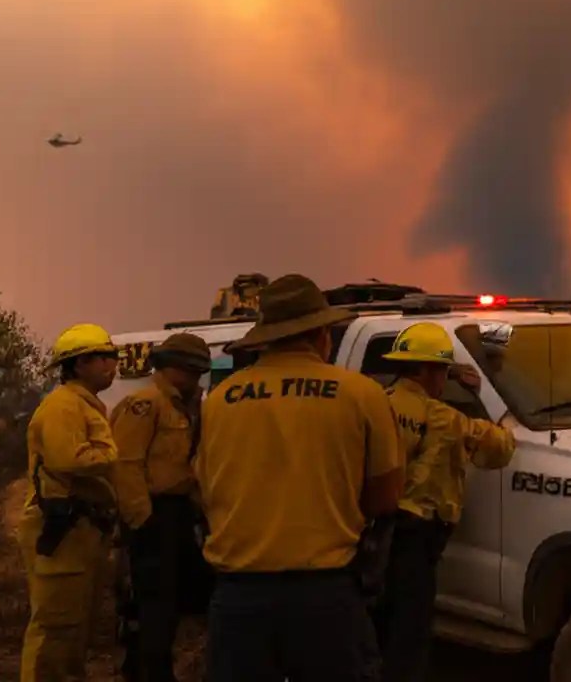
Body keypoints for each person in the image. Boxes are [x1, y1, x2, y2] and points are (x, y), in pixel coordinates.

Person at [195, 274, 403, 682]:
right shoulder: (361, 395)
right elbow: (386, 497)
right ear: (322, 335)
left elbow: (205, 488)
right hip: (326, 598)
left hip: (239, 600)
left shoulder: (219, 401)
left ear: (265, 338)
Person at [373, 322, 517, 682]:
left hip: (373, 533)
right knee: (411, 631)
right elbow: (500, 448)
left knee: (378, 622)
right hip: (416, 536)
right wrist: (486, 395)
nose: (443, 379)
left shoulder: (376, 404)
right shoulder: (445, 418)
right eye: (441, 370)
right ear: (425, 369)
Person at [110, 332, 216, 682]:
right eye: (190, 370)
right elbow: (126, 465)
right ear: (170, 367)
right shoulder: (145, 404)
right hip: (154, 515)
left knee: (180, 602)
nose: (195, 378)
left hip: (182, 512)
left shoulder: (190, 405)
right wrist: (142, 521)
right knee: (154, 608)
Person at [18, 323, 120, 681]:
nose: (112, 364)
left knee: (74, 626)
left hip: (78, 530)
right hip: (60, 528)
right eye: (102, 358)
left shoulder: (83, 404)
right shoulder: (63, 406)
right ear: (78, 365)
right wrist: (111, 451)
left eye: (113, 356)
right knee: (57, 627)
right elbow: (70, 459)